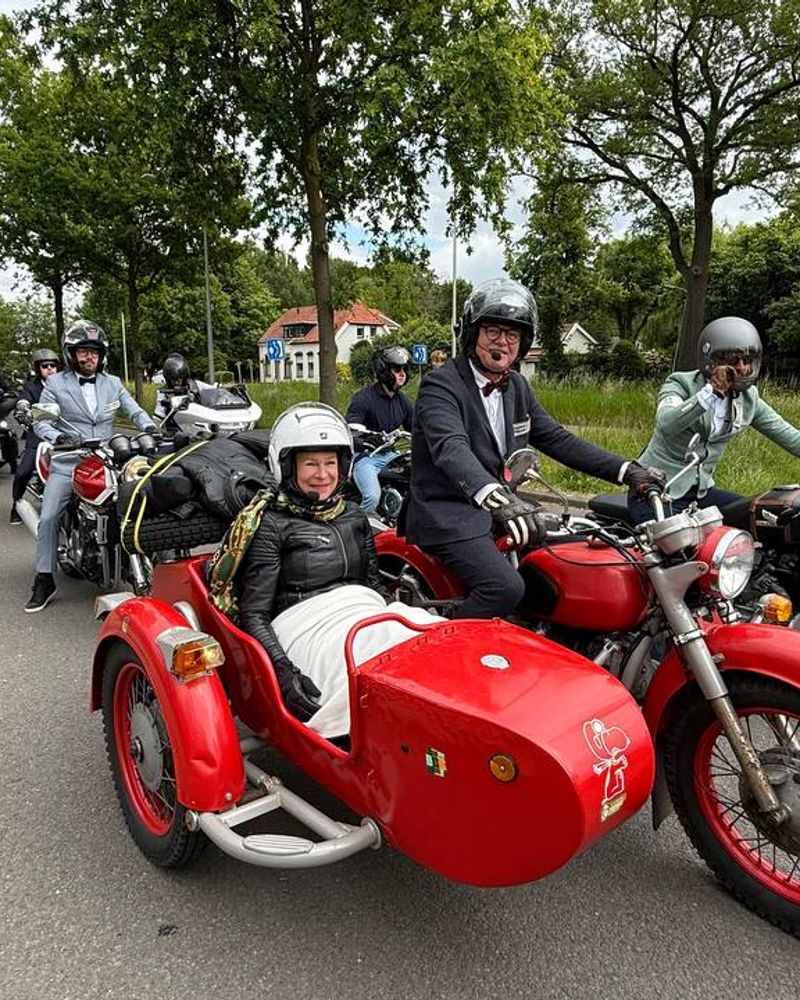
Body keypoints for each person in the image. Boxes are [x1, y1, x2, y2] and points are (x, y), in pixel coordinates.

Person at [405, 278, 666, 620]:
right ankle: (444, 650)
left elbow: (558, 439)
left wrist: (627, 470)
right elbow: (451, 448)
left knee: (575, 557)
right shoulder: (441, 384)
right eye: (493, 331)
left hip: (501, 509)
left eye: (512, 334)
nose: (503, 341)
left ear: (523, 342)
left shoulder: (517, 386)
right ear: (473, 334)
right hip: (449, 512)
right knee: (505, 588)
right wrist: (498, 498)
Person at [209, 402, 440, 737]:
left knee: (428, 638)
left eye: (330, 462)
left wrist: (400, 615)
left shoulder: (354, 516)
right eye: (311, 464)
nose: (323, 474)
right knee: (369, 670)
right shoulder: (270, 524)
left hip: (364, 613)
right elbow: (255, 612)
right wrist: (284, 672)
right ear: (287, 467)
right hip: (305, 627)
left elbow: (375, 587)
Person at [25, 320, 158, 613]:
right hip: (68, 459)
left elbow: (133, 409)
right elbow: (41, 421)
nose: (89, 357)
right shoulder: (55, 383)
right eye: (84, 351)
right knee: (48, 518)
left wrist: (150, 427)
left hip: (108, 457)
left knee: (140, 498)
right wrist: (58, 436)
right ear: (72, 353)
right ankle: (44, 579)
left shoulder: (112, 383)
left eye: (94, 352)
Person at [627, 317, 800, 523]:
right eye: (734, 361)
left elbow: (788, 435)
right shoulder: (681, 384)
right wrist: (709, 393)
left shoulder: (748, 398)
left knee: (757, 521)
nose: (743, 368)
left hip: (701, 493)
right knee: (679, 548)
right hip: (655, 490)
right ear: (711, 360)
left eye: (748, 360)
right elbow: (667, 424)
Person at [345, 346, 414, 512]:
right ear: (384, 369)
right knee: (372, 496)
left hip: (389, 454)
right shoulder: (364, 398)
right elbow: (350, 428)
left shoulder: (403, 401)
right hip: (365, 457)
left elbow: (416, 428)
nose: (402, 373)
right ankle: (357, 528)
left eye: (404, 369)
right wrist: (368, 438)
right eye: (397, 369)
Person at [9, 348, 61, 524]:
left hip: (64, 437)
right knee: (23, 472)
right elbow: (24, 399)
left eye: (53, 365)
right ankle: (16, 505)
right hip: (38, 437)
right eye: (45, 366)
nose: (49, 369)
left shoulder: (66, 386)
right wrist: (23, 408)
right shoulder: (31, 387)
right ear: (38, 369)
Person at [153, 352, 211, 420]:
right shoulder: (163, 393)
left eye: (179, 379)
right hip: (175, 428)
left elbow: (212, 391)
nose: (176, 382)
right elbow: (158, 414)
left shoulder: (197, 385)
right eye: (173, 379)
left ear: (184, 377)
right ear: (168, 379)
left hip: (198, 425)